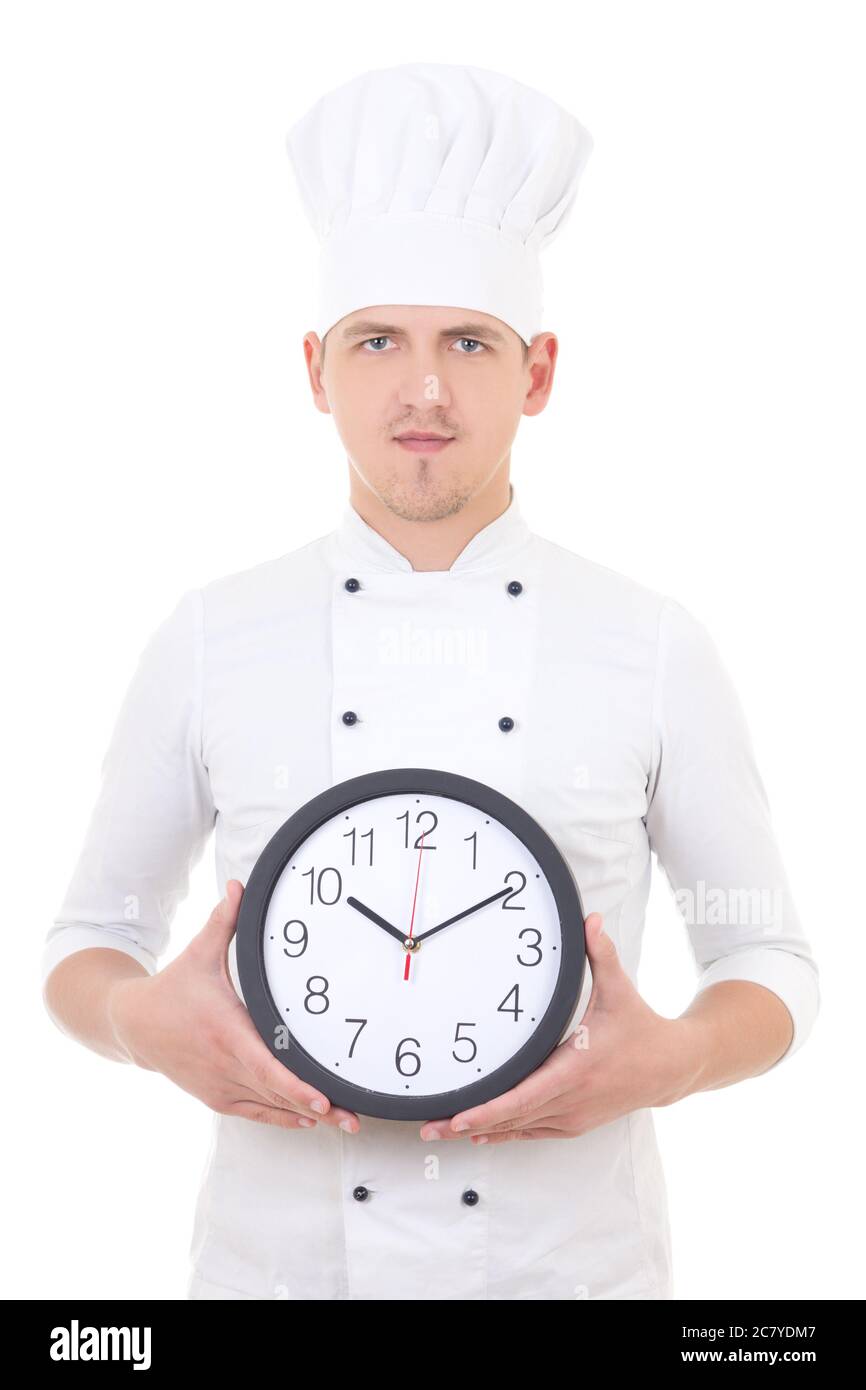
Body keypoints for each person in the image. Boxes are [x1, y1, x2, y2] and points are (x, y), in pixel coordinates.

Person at [41, 62, 819, 1301]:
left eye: (468, 340)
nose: (422, 389)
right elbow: (89, 940)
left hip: (571, 1278)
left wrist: (666, 1060)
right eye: (376, 342)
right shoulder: (208, 636)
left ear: (540, 371)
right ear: (313, 369)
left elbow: (769, 958)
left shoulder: (652, 641)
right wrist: (142, 1026)